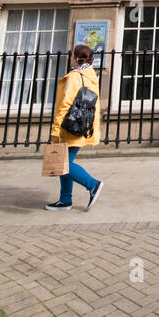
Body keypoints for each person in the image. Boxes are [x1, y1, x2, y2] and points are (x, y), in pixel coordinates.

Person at [46, 44, 105, 211]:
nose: (70, 59)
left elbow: (66, 104)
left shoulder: (74, 77)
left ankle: (93, 184)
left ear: (77, 58)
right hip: (83, 125)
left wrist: (56, 128)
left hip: (69, 126)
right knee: (65, 162)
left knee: (62, 162)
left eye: (72, 56)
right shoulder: (91, 76)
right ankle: (65, 199)